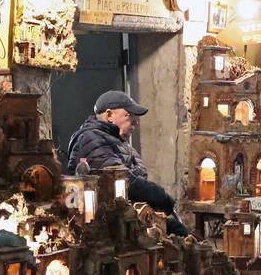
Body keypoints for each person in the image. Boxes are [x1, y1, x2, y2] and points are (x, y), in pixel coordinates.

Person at [64, 91, 190, 237]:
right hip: (106, 224)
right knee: (177, 234)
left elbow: (138, 173)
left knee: (178, 233)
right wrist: (157, 195)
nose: (136, 122)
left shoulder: (115, 140)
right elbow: (120, 181)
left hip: (128, 216)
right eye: (129, 115)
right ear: (109, 115)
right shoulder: (90, 139)